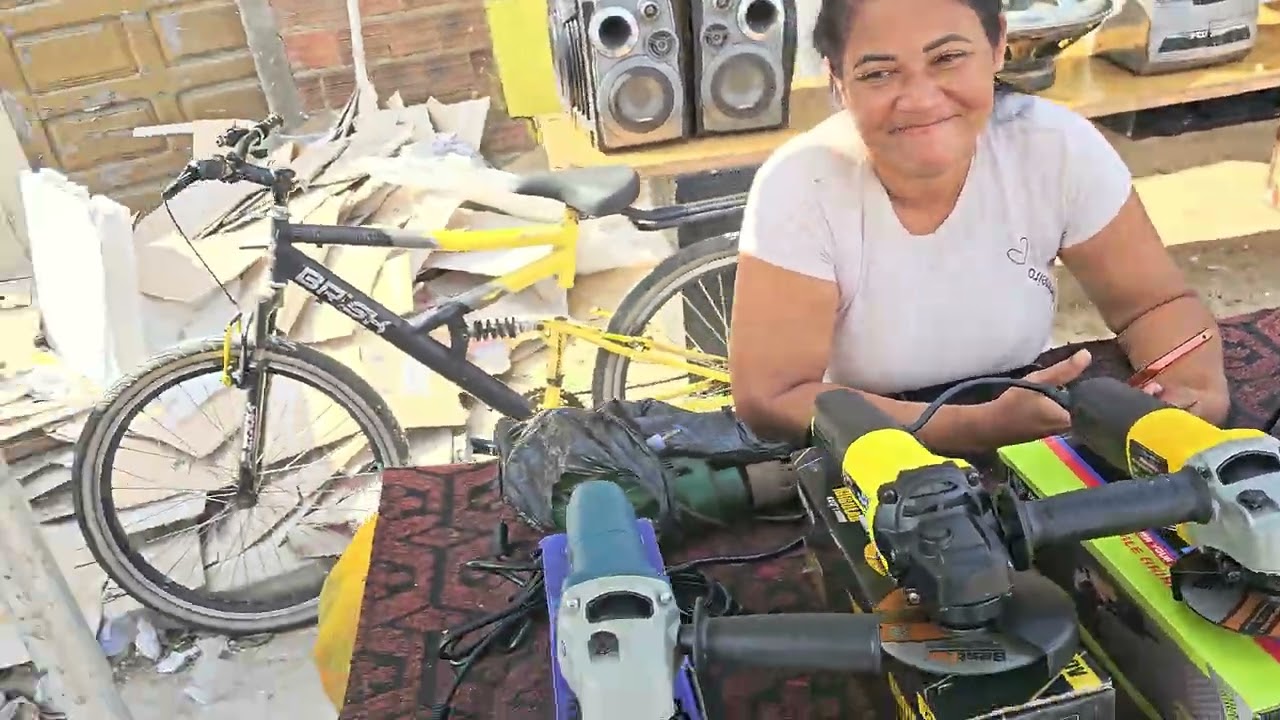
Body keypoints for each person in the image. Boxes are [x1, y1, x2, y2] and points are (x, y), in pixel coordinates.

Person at [729, 0, 1229, 455]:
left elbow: (1154, 306)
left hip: (1025, 426)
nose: (921, 99)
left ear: (997, 48)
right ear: (836, 79)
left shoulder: (1054, 148)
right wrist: (975, 426)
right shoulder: (801, 185)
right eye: (879, 72)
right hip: (866, 448)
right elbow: (774, 397)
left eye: (947, 58)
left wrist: (1195, 392)